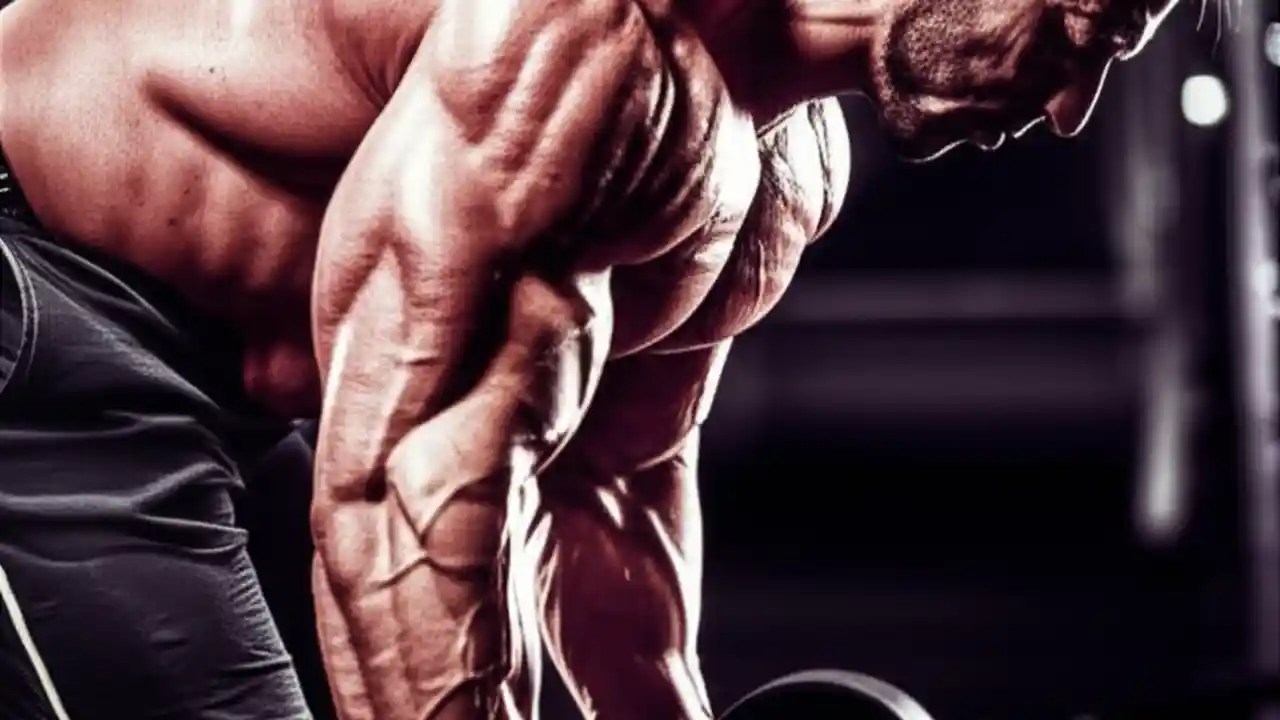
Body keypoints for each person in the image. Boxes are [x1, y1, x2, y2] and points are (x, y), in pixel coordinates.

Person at [0, 0, 1180, 718]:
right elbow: (408, 499)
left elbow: (609, 480)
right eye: (1080, 29)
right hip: (47, 312)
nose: (1069, 107)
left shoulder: (781, 164)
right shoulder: (585, 46)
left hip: (245, 389)